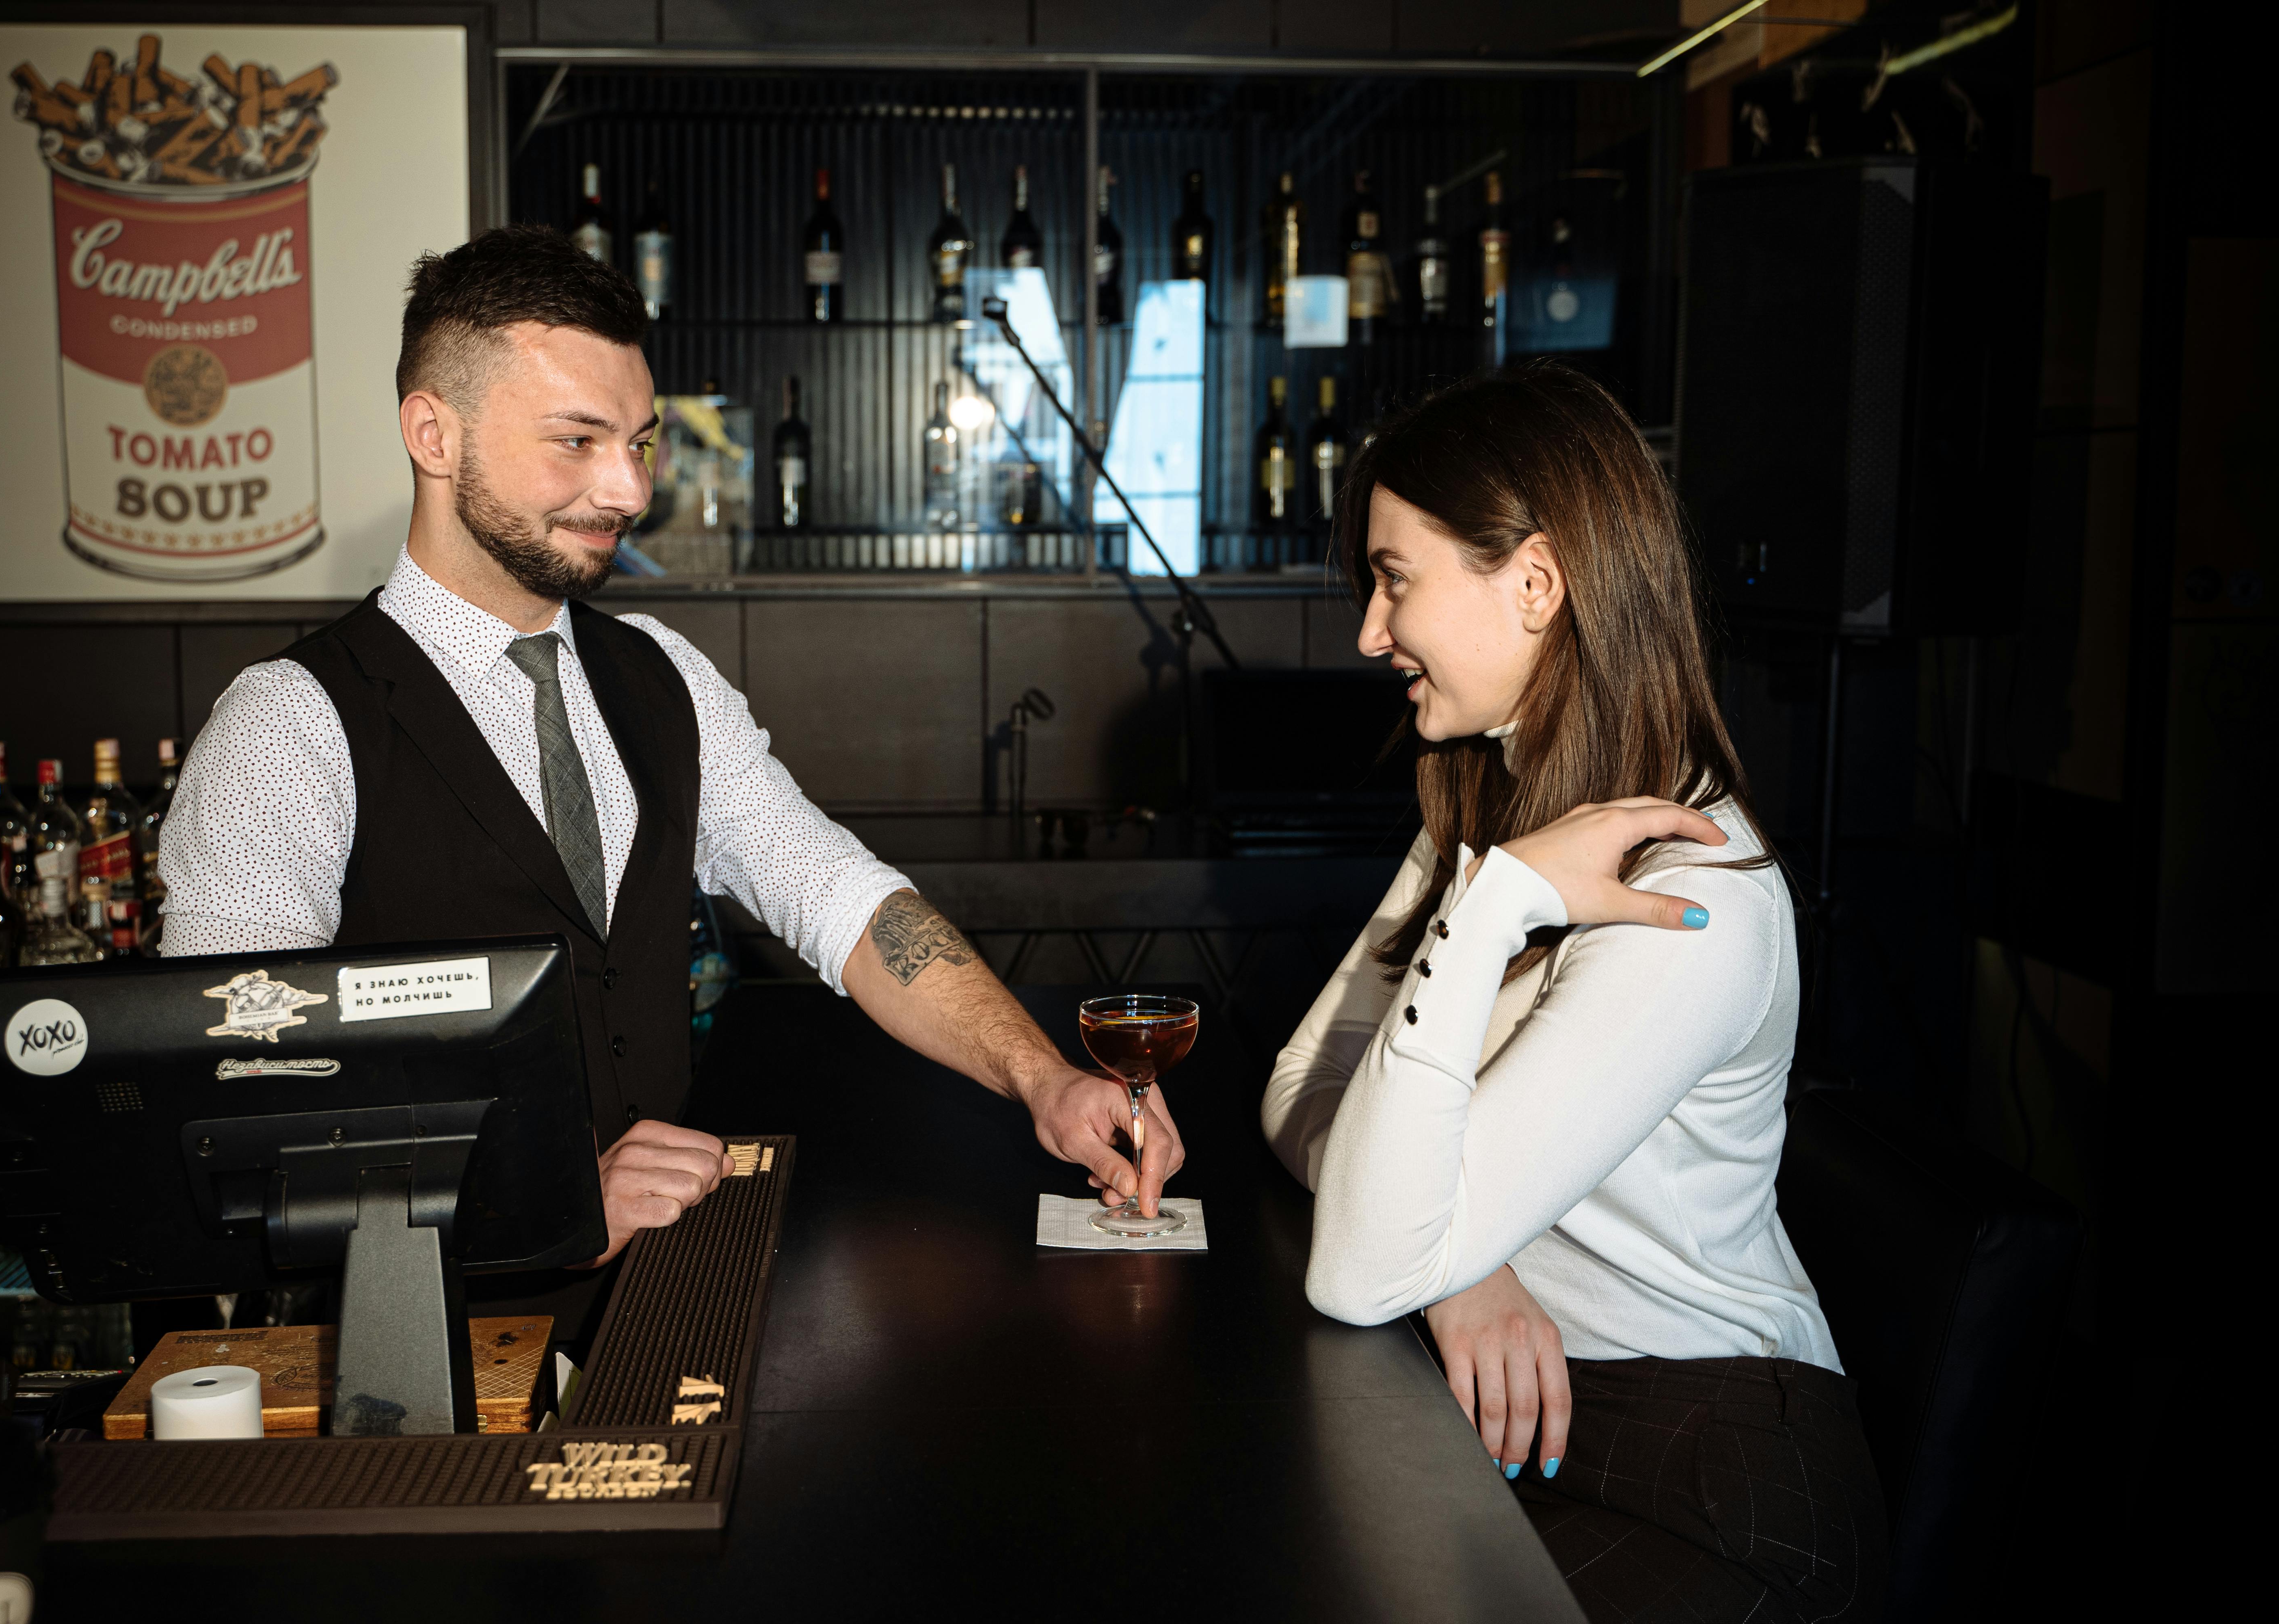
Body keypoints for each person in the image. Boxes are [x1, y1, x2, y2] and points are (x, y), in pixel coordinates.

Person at [158, 226, 1181, 1333]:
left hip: (659, 1312)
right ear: (433, 433)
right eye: (578, 441)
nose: (628, 487)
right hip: (412, 1355)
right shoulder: (286, 727)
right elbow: (236, 1103)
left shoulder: (661, 675)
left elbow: (832, 892)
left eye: (640, 442)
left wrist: (1042, 1079)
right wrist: (535, 1207)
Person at [1263, 365, 1886, 1622]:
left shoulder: (1691, 895)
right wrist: (1461, 1267)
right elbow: (1302, 1087)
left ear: (1536, 584)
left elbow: (1357, 1266)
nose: (1372, 634)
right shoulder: (1495, 811)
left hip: (1713, 1468)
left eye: (1395, 579)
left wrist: (1490, 908)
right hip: (1520, 1411)